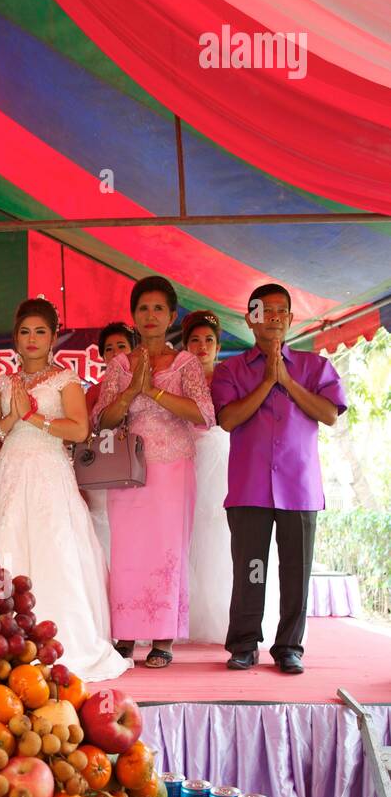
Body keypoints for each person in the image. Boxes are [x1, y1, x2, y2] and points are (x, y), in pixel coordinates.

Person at [0, 298, 128, 683]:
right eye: (24, 332)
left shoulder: (66, 379)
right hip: (7, 474)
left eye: (40, 332)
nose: (31, 339)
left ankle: (55, 640)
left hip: (50, 473)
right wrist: (11, 418)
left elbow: (79, 430)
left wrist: (33, 416)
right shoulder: (2, 383)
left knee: (54, 552)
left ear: (53, 337)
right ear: (15, 338)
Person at [211, 283, 346, 674]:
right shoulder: (230, 370)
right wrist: (268, 380)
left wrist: (286, 380)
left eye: (279, 311)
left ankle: (289, 646)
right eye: (263, 311)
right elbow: (228, 419)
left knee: (295, 572)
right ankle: (244, 644)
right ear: (250, 318)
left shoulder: (314, 367)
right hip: (250, 488)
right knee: (251, 570)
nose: (272, 318)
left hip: (300, 489)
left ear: (289, 319)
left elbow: (330, 414)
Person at [92, 276, 215, 667]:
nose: (150, 315)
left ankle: (163, 639)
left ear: (172, 316)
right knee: (127, 550)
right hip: (128, 469)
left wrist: (154, 392)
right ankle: (126, 634)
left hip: (173, 468)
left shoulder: (186, 363)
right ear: (133, 316)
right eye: (143, 308)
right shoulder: (119, 365)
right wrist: (131, 391)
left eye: (158, 308)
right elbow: (101, 421)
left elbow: (204, 415)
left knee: (167, 551)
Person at [183, 310, 283, 647]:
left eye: (208, 340)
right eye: (194, 340)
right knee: (189, 536)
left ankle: (229, 617)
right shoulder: (177, 379)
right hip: (184, 459)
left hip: (224, 458)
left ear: (217, 345)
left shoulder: (229, 376)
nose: (201, 346)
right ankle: (186, 616)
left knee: (223, 537)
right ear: (184, 346)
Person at [83, 320, 136, 562]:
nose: (115, 354)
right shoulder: (94, 391)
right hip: (104, 474)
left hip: (141, 470)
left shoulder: (150, 384)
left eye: (121, 346)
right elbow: (83, 433)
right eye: (109, 349)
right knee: (105, 538)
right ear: (102, 356)